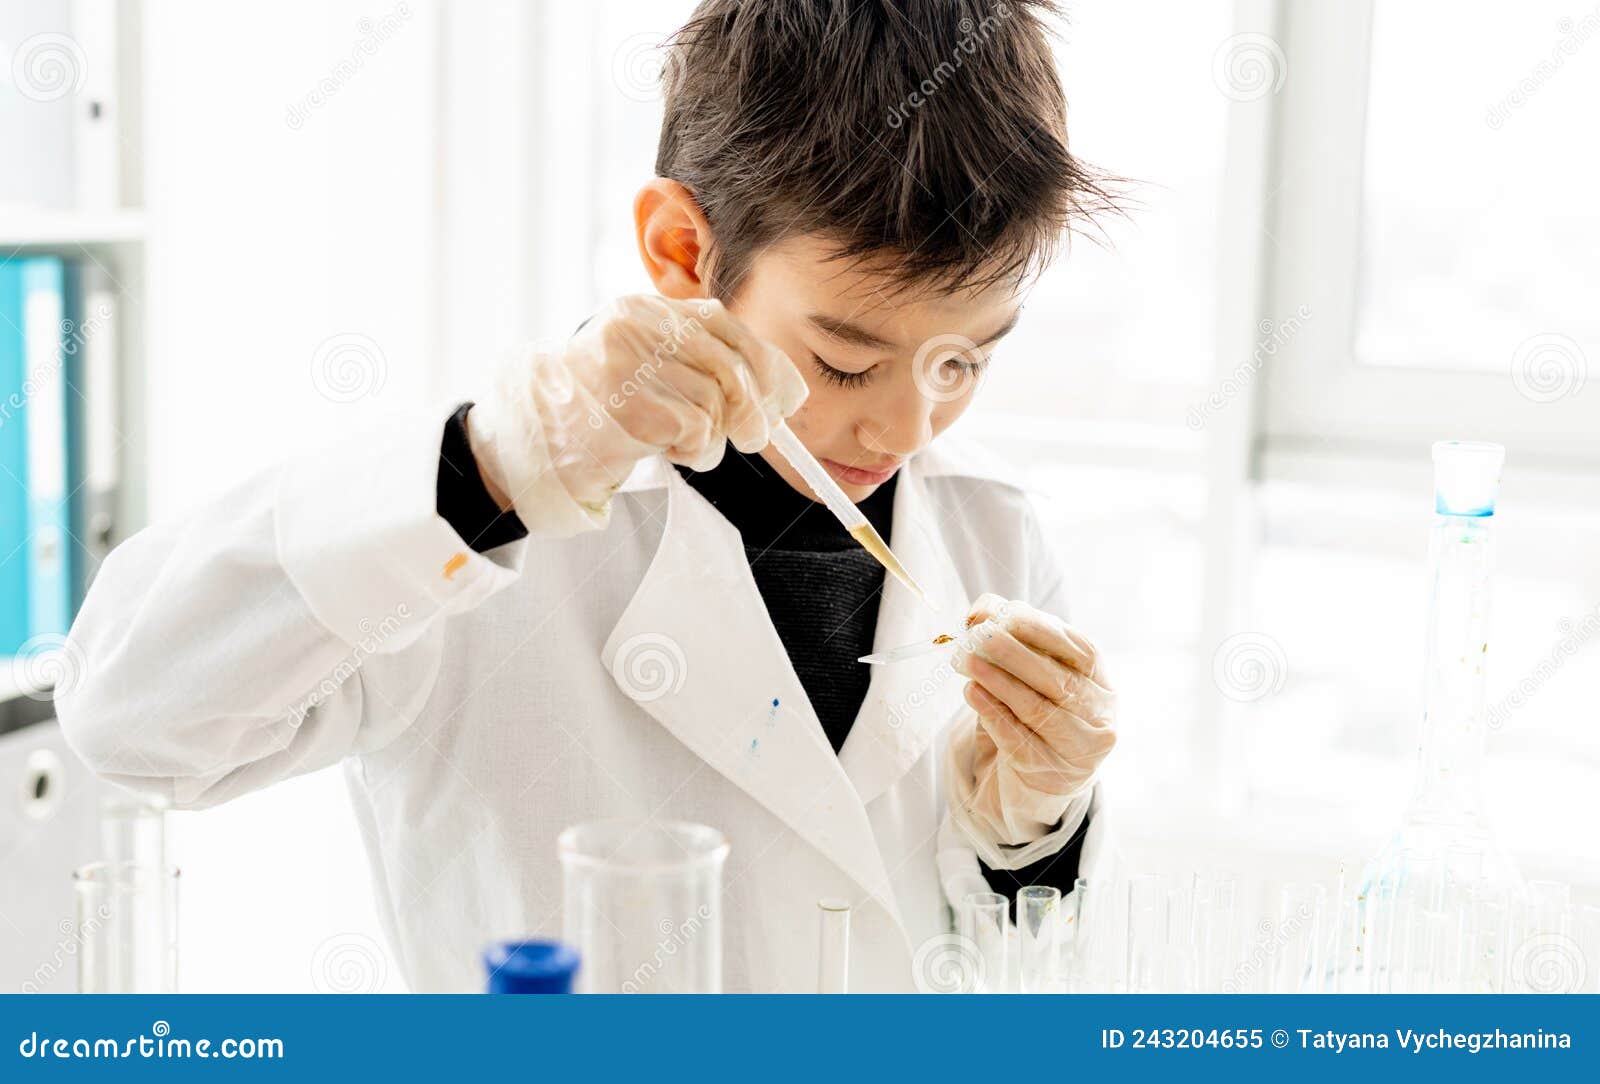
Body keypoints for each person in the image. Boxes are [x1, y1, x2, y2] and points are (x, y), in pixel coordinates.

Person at [59, 0, 1121, 992]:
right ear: (681, 248)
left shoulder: (992, 528)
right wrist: (485, 472)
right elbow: (132, 720)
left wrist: (1033, 824)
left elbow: (994, 958)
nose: (907, 430)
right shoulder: (476, 516)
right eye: (845, 364)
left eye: (964, 362)